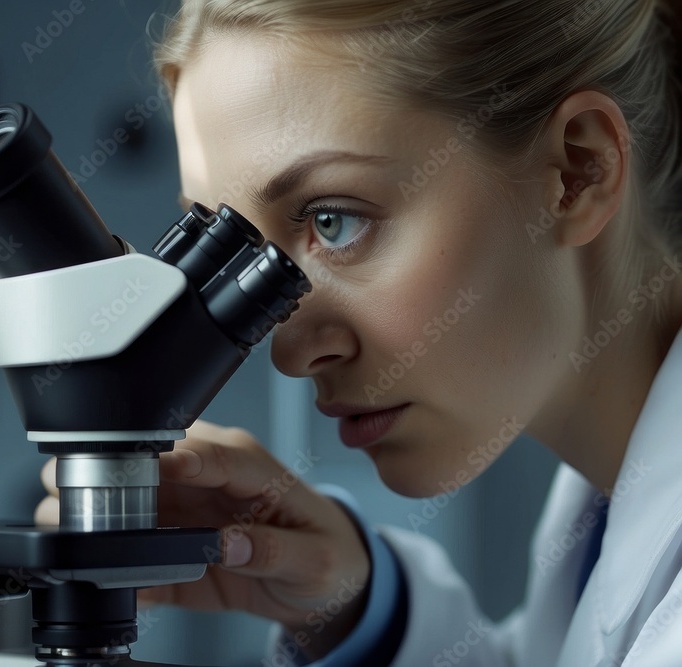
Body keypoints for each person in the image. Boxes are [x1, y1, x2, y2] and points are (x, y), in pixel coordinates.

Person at [38, 0, 682, 663]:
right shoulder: (599, 511)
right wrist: (354, 607)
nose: (290, 352)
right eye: (231, 252)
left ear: (579, 171)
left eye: (333, 221)